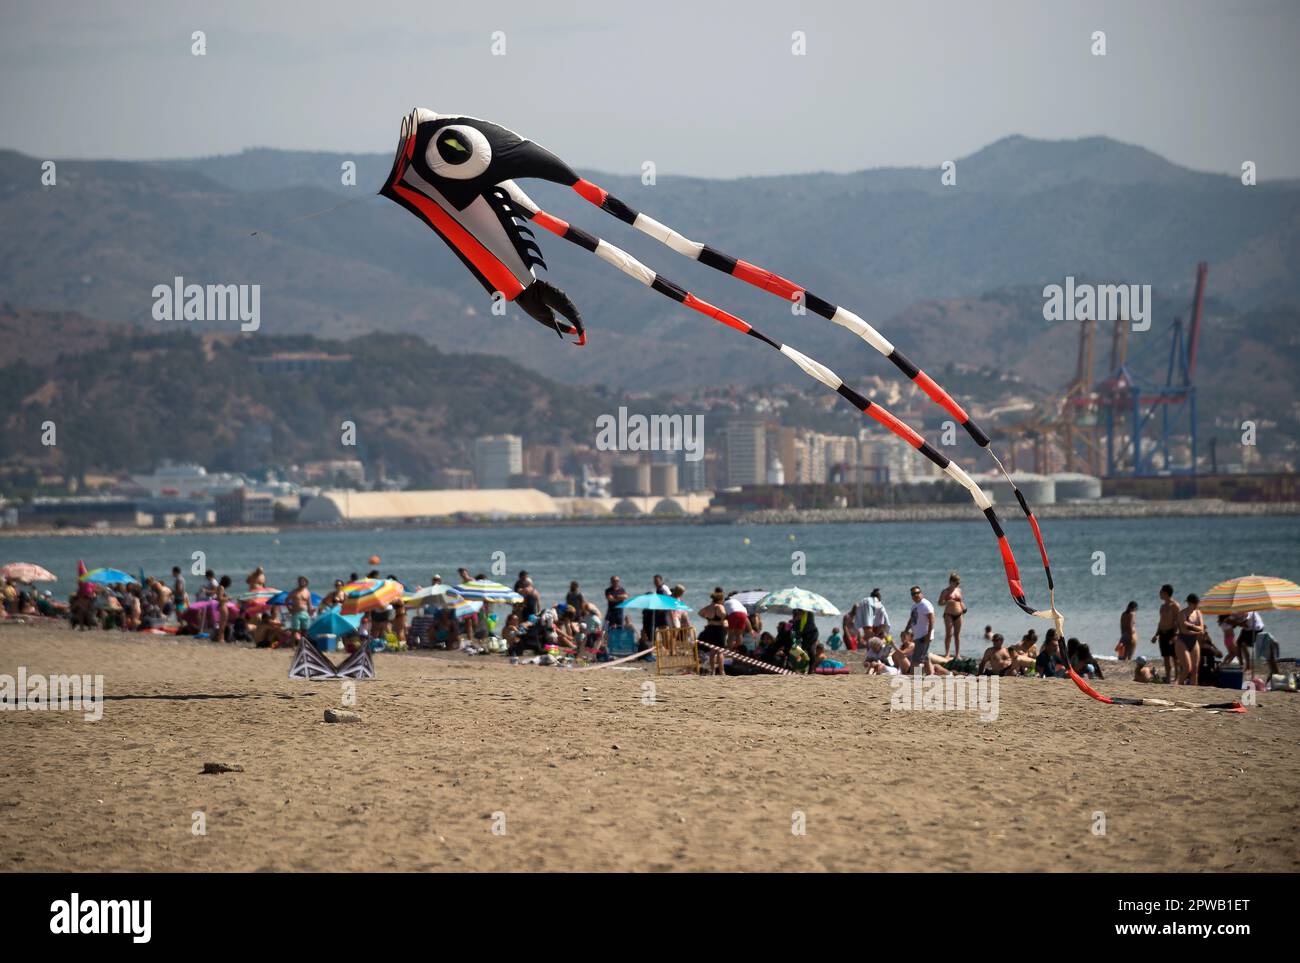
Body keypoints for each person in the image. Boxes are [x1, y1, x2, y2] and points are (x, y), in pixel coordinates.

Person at [1175, 594, 1205, 686]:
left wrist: (1189, 625)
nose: (1196, 606)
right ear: (1189, 603)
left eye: (1197, 604)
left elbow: (1201, 628)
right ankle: (1179, 685)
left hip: (1193, 641)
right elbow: (1184, 631)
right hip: (1182, 640)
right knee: (1187, 667)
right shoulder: (1182, 613)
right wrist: (1196, 631)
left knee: (1195, 669)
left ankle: (1193, 690)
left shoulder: (1198, 613)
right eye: (1194, 604)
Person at [1152, 584, 1179, 685]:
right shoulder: (1162, 606)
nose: (1159, 594)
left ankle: (1177, 678)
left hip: (1171, 633)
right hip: (1162, 634)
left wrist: (1175, 635)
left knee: (1175, 657)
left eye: (1161, 592)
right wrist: (1156, 635)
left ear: (1166, 593)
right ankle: (1168, 677)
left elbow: (1177, 621)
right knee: (1166, 657)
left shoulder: (1174, 605)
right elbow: (1161, 622)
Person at [905, 585, 935, 674]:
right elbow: (912, 619)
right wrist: (906, 630)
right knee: (925, 658)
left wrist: (928, 635)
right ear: (911, 596)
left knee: (916, 660)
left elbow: (932, 619)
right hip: (918, 635)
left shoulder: (925, 604)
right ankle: (931, 675)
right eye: (914, 594)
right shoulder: (914, 606)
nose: (916, 595)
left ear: (921, 593)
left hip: (924, 635)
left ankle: (916, 678)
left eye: (918, 593)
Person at [936, 571, 965, 658]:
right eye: (956, 582)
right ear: (951, 582)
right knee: (949, 634)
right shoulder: (945, 591)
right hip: (949, 614)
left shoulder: (959, 590)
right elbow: (939, 603)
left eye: (958, 583)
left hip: (959, 614)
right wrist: (947, 601)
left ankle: (957, 654)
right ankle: (947, 653)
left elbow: (960, 602)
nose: (957, 584)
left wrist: (964, 609)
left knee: (957, 635)